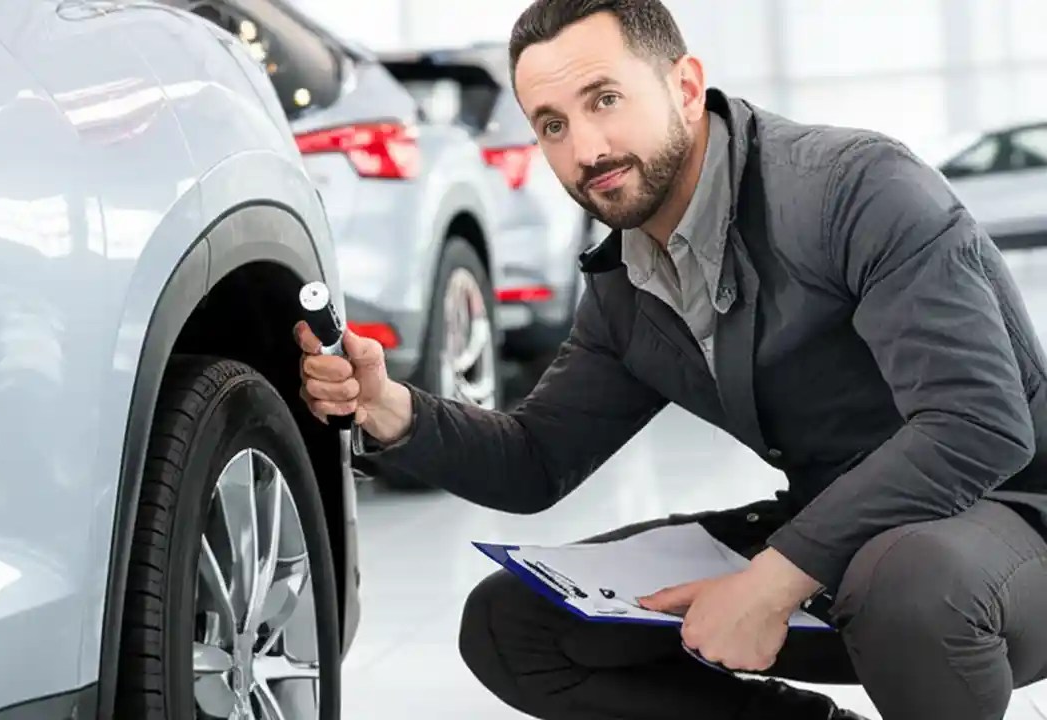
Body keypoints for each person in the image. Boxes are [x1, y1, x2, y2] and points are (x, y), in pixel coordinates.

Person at [295, 0, 1047, 717]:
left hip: (1011, 522)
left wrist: (771, 581)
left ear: (685, 87)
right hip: (846, 537)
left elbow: (976, 424)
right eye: (551, 124)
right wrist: (389, 407)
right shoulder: (628, 285)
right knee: (513, 620)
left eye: (605, 99)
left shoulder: (854, 189)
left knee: (911, 588)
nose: (584, 149)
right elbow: (534, 460)